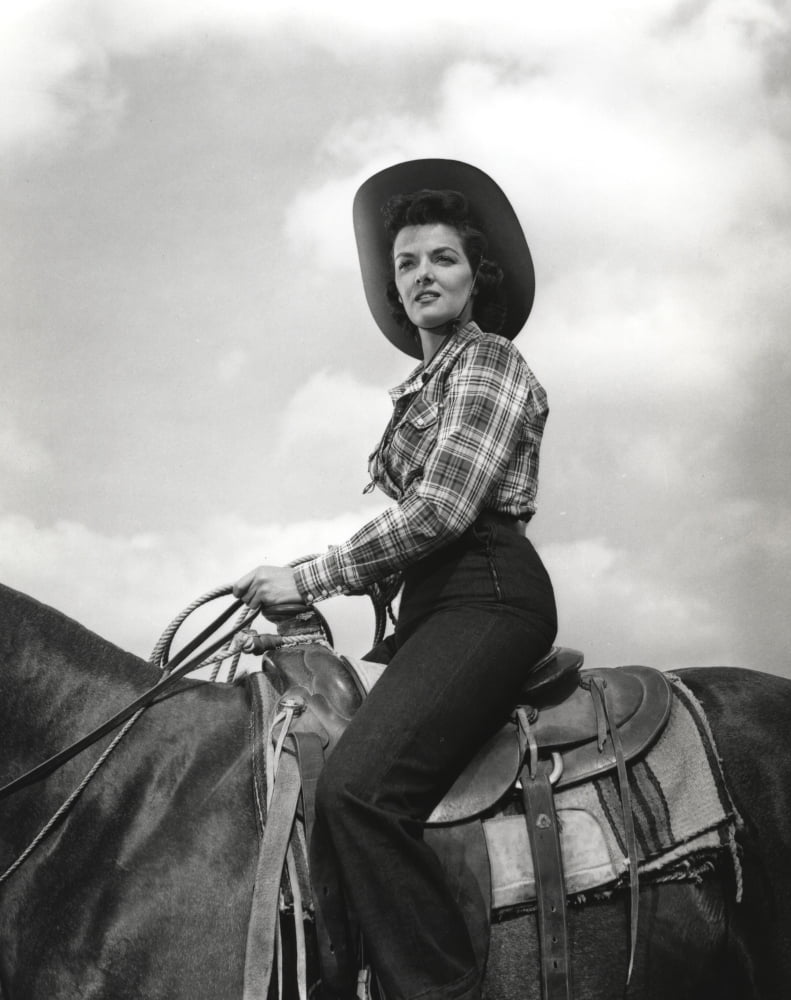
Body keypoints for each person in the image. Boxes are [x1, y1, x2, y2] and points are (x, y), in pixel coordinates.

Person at [234, 159, 557, 1000]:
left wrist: (309, 571)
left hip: (487, 594)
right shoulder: (423, 386)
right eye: (407, 264)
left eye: (442, 259)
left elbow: (442, 510)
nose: (422, 276)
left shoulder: (490, 365)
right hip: (435, 608)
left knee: (360, 791)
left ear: (474, 274)